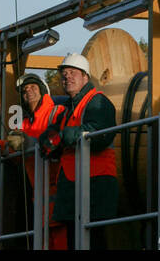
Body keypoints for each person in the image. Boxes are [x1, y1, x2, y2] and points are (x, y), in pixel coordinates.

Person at [43, 53, 118, 250]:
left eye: (72, 72)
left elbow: (99, 134)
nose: (67, 77)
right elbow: (55, 139)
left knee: (94, 240)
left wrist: (64, 136)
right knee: (77, 240)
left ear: (85, 77)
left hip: (95, 183)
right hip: (75, 185)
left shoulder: (98, 102)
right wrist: (50, 142)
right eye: (64, 73)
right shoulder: (70, 109)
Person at [15, 73, 67, 250]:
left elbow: (57, 139)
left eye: (33, 88)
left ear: (43, 91)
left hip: (57, 185)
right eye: (24, 90)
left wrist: (28, 142)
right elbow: (13, 147)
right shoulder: (23, 122)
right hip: (37, 191)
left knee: (60, 236)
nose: (28, 92)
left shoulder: (56, 112)